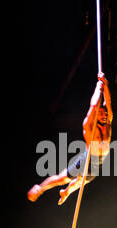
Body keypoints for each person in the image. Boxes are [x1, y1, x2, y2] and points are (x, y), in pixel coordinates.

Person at [28, 74, 112, 205]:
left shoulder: (108, 123)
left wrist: (105, 84)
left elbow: (108, 102)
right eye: (101, 113)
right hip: (87, 160)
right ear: (96, 114)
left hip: (97, 163)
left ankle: (66, 192)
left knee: (79, 182)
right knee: (64, 179)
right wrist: (98, 87)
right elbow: (93, 105)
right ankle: (40, 188)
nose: (104, 115)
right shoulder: (89, 125)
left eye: (105, 113)